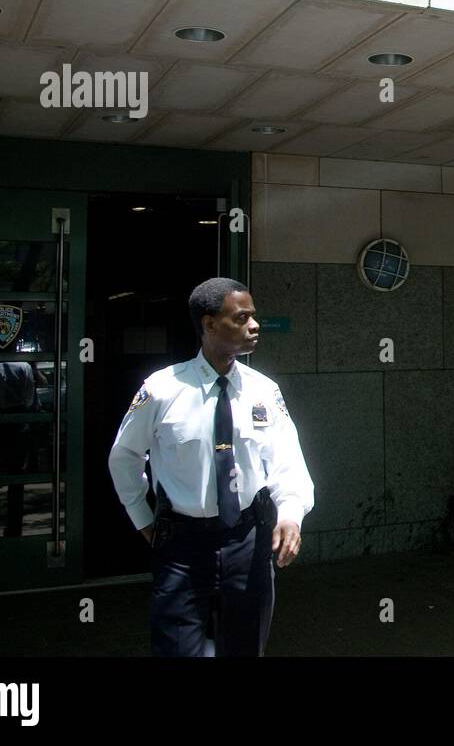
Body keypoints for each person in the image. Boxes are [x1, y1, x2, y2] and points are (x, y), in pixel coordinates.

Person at [108, 277, 314, 656]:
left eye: (254, 317)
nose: (254, 326)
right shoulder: (161, 390)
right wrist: (143, 520)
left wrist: (290, 513)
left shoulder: (264, 390)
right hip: (182, 548)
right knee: (178, 650)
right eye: (241, 318)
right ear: (208, 324)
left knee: (245, 648)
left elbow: (287, 460)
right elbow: (124, 456)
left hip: (248, 543)